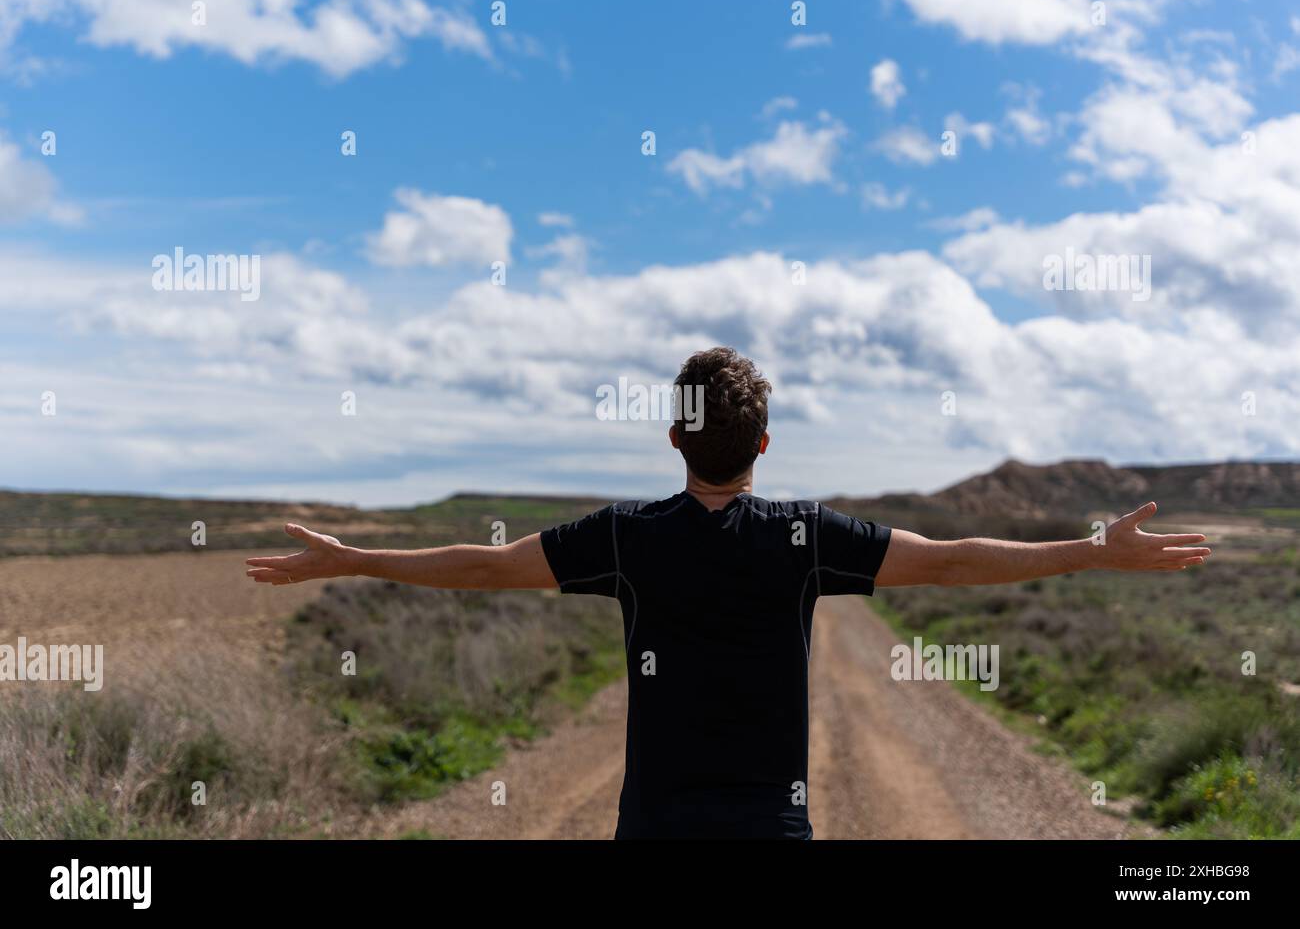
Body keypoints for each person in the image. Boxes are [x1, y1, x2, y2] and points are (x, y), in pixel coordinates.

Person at [246, 346, 1210, 839]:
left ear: (673, 438)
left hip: (655, 822)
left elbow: (484, 567)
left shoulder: (623, 538)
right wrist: (1095, 549)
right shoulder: (805, 536)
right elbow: (957, 558)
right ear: (762, 444)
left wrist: (356, 559)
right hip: (771, 821)